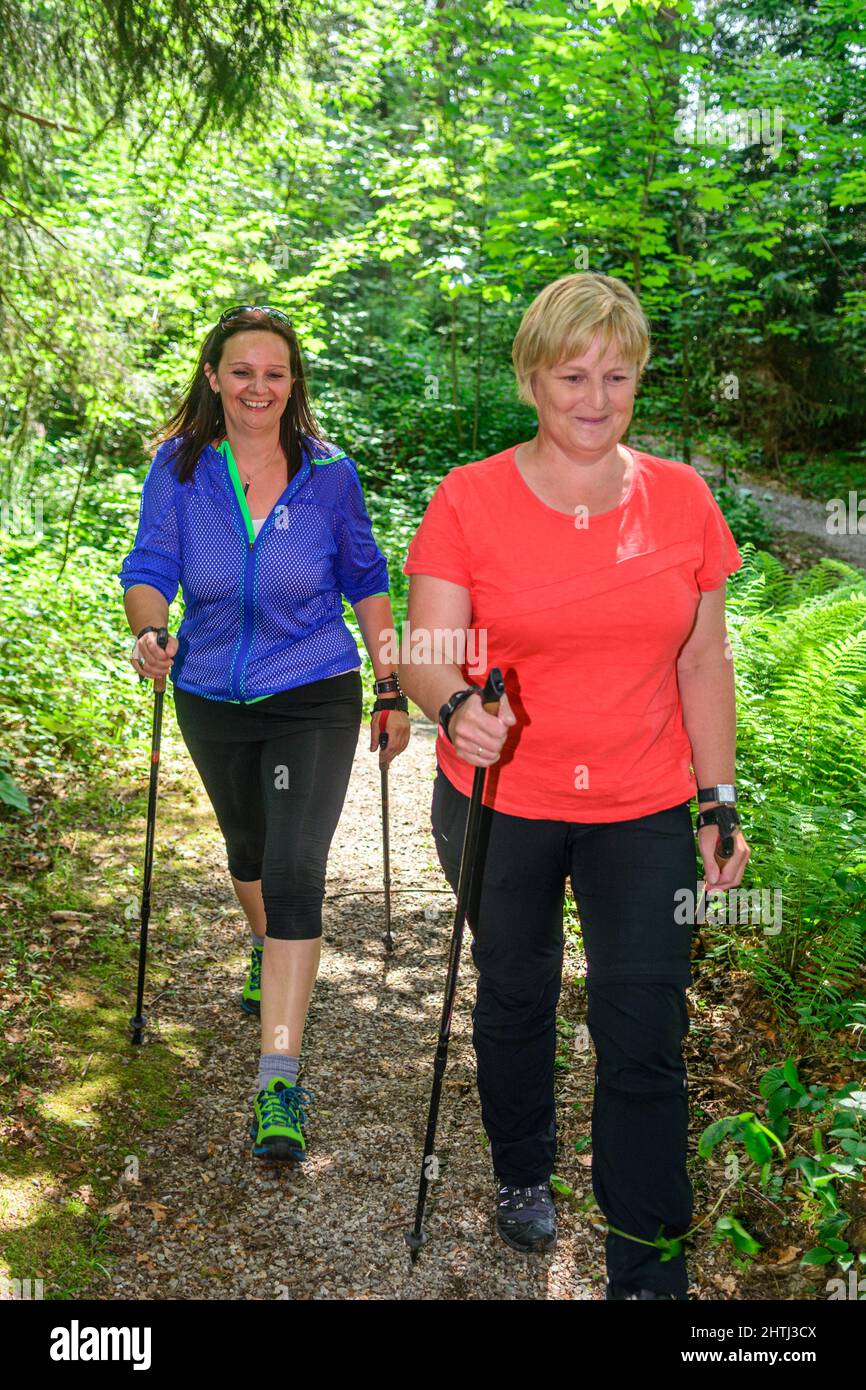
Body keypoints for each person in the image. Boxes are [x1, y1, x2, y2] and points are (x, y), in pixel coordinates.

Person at [399, 271, 750, 1300]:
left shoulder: (681, 500)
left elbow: (701, 661)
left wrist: (717, 798)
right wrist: (454, 703)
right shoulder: (471, 496)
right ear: (530, 379)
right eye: (571, 375)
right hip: (499, 799)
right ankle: (520, 1166)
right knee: (516, 991)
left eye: (616, 375)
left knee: (641, 1024)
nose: (594, 398)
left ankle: (645, 1263)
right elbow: (428, 646)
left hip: (640, 804)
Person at [119, 305, 410, 1163]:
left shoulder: (329, 474)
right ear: (214, 377)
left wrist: (390, 684)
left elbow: (365, 579)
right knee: (246, 847)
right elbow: (148, 568)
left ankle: (277, 1078)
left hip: (313, 688)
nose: (258, 387)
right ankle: (264, 948)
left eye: (274, 373)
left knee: (291, 871)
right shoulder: (179, 471)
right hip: (209, 691)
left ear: (294, 384)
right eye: (242, 371)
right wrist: (148, 629)